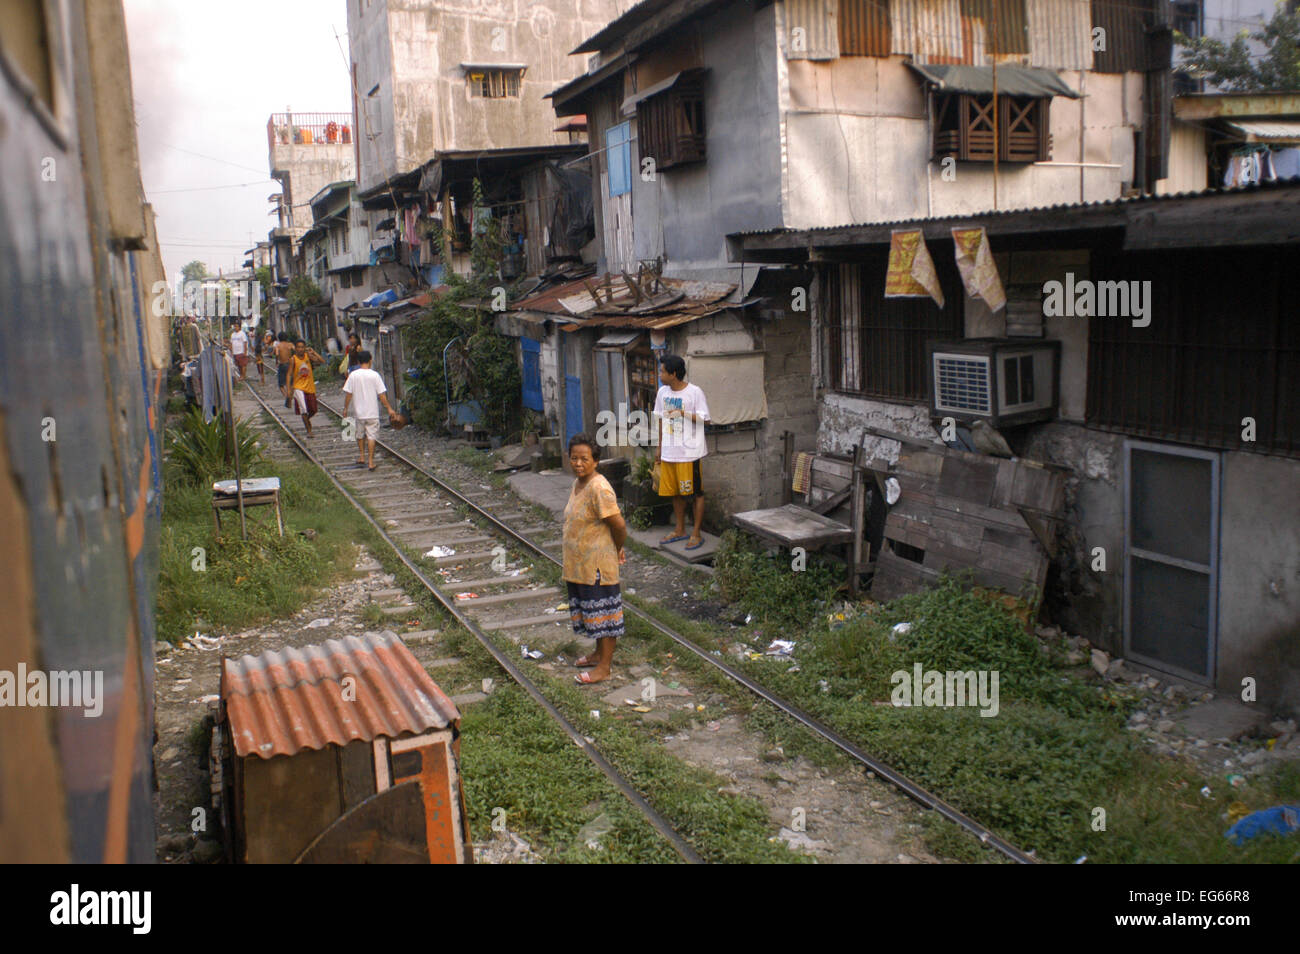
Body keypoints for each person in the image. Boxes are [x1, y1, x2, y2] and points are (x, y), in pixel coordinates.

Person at [562, 435, 626, 685]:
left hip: (597, 564)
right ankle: (598, 653)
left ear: (596, 461)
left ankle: (605, 667)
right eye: (574, 458)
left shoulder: (599, 488)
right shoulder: (578, 483)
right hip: (580, 564)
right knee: (592, 613)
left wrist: (617, 548)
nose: (578, 463)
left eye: (584, 459)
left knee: (605, 616)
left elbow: (619, 525)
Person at [653, 353, 710, 550]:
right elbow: (660, 419)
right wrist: (659, 447)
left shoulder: (694, 392)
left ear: (673, 373)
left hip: (690, 453)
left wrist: (683, 413)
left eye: (662, 371)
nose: (659, 374)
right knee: (675, 493)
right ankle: (680, 529)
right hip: (670, 451)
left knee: (695, 493)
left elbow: (706, 419)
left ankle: (696, 532)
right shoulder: (662, 393)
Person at [341, 351, 398, 470]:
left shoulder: (353, 375)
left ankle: (362, 457)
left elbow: (348, 394)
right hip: (372, 413)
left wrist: (345, 408)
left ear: (358, 361)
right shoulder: (375, 375)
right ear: (370, 360)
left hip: (358, 413)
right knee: (371, 436)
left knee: (359, 435)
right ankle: (371, 462)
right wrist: (389, 408)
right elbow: (382, 395)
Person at [289, 338, 324, 436]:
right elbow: (289, 374)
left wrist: (314, 352)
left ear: (305, 348)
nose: (300, 349)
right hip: (298, 387)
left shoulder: (308, 356)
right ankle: (309, 430)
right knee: (303, 409)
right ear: (295, 349)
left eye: (302, 347)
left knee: (313, 410)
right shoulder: (293, 359)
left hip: (309, 387)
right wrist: (289, 389)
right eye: (298, 347)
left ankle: (307, 420)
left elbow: (322, 361)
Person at [274, 333, 295, 408]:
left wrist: (276, 361)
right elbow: (295, 350)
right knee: (291, 383)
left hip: (282, 364)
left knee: (281, 384)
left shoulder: (278, 346)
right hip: (290, 364)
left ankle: (287, 396)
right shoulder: (290, 344)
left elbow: (276, 354)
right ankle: (290, 396)